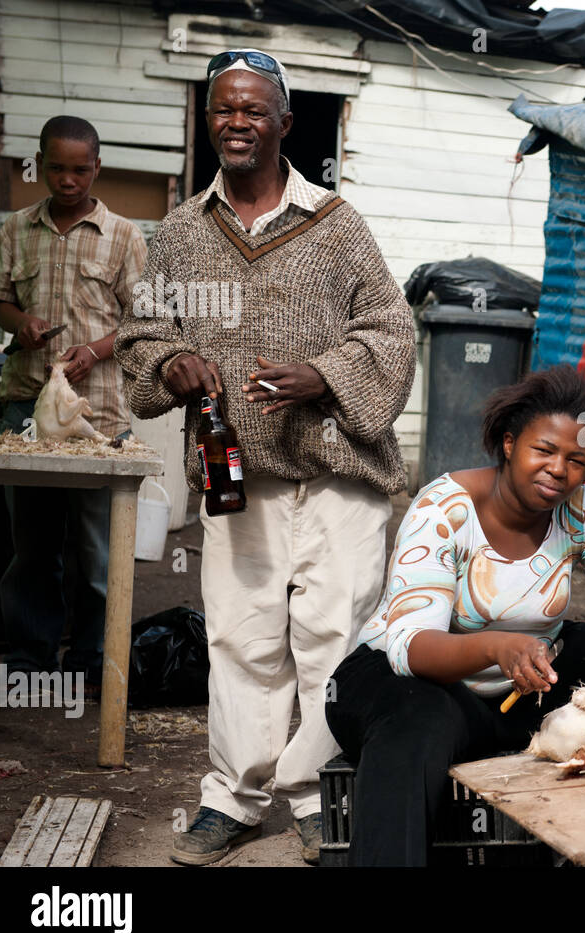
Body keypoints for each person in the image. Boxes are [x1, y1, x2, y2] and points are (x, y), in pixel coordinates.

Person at [115, 50, 416, 865]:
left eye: (254, 110)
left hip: (336, 476)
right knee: (243, 641)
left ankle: (324, 797)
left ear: (286, 123)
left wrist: (324, 375)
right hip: (234, 477)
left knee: (334, 640)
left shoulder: (337, 224)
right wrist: (170, 362)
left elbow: (392, 333)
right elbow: (144, 334)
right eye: (223, 110)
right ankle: (233, 800)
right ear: (207, 120)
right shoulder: (179, 231)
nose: (237, 122)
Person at [325, 364, 585, 866]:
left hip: (523, 689)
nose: (557, 470)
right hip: (409, 681)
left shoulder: (577, 509)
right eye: (543, 451)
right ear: (508, 444)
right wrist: (496, 646)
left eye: (576, 459)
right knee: (418, 718)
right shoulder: (444, 508)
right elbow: (414, 646)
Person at [0, 115, 146, 686]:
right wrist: (21, 323)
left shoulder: (124, 236)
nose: (68, 179)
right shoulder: (15, 228)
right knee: (31, 548)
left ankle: (92, 662)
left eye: (80, 169)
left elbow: (142, 320)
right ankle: (31, 660)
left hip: (96, 415)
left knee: (98, 554)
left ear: (96, 168)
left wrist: (94, 351)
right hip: (25, 410)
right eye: (56, 168)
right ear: (41, 164)